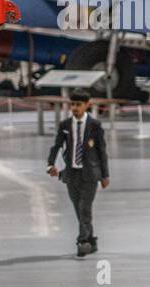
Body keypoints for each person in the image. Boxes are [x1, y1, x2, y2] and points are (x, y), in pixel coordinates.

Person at [46, 91, 109, 257]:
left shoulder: (95, 125)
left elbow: (102, 151)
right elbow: (57, 146)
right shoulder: (65, 125)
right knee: (78, 209)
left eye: (78, 104)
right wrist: (50, 164)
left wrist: (105, 175)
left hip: (90, 174)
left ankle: (82, 242)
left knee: (84, 208)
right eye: (72, 104)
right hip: (71, 174)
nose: (75, 108)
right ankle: (91, 239)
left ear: (87, 105)